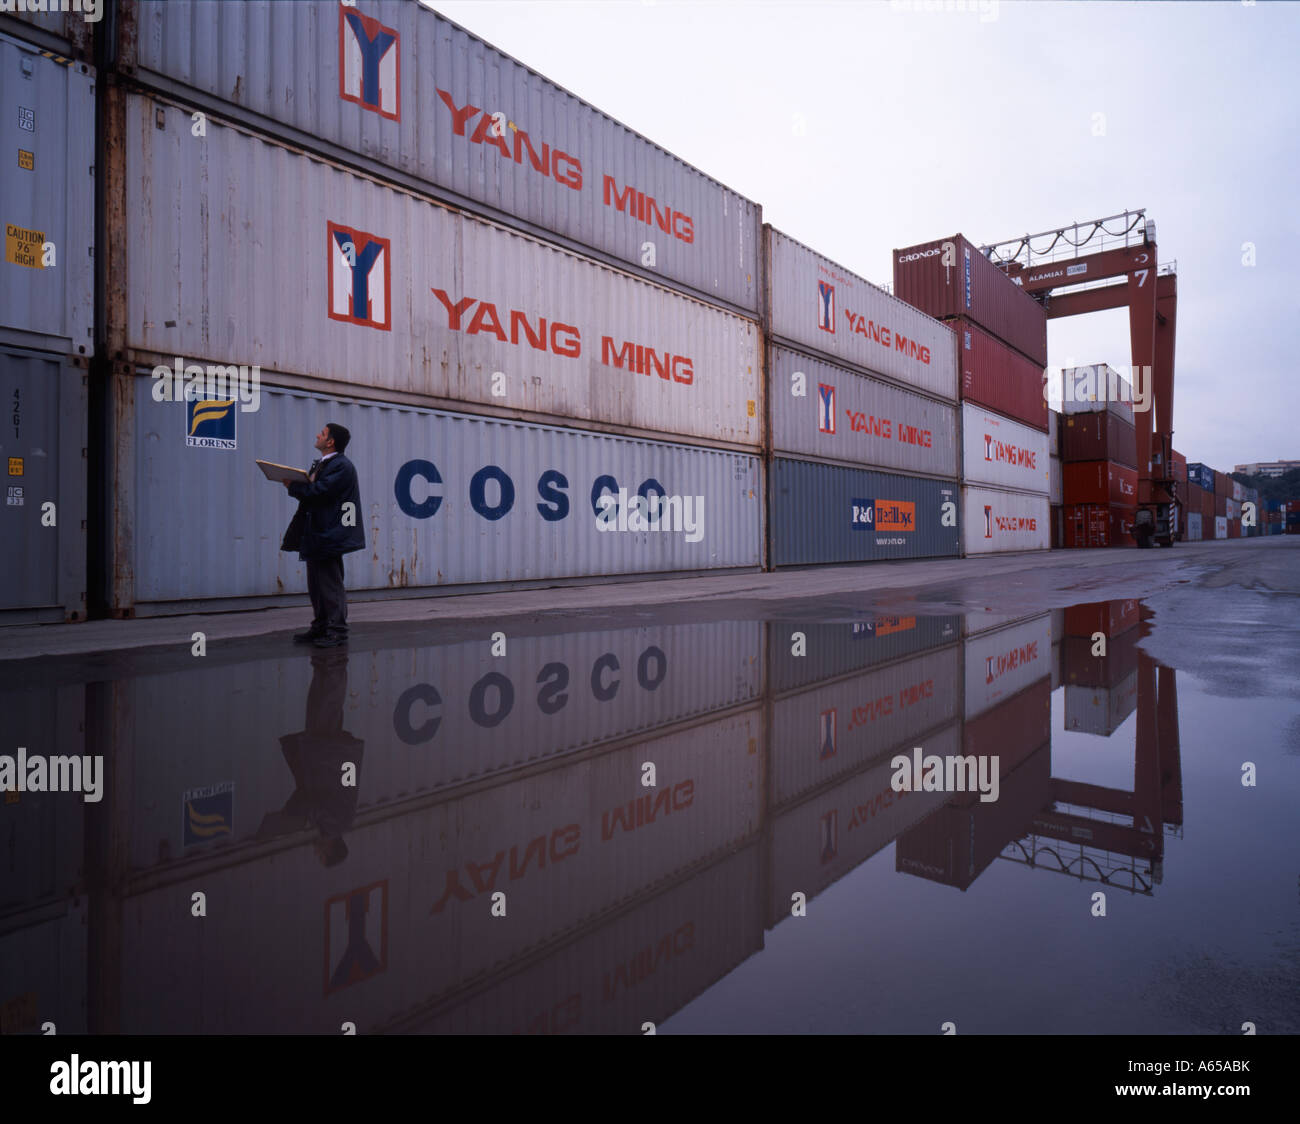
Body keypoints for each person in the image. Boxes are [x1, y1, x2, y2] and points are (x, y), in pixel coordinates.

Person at [283, 422, 365, 647]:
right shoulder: (323, 464)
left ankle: (337, 631)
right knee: (316, 585)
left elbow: (319, 492)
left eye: (323, 433)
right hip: (318, 533)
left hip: (330, 533)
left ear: (330, 442)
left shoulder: (341, 466)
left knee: (330, 585)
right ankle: (320, 627)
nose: (317, 435)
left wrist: (293, 486)